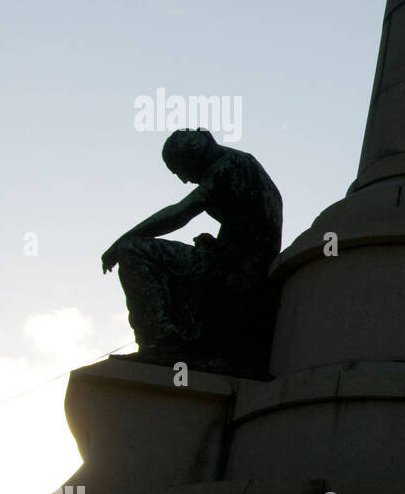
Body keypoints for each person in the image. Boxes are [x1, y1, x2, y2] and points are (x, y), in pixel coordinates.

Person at [101, 128, 282, 375]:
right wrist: (215, 244)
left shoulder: (229, 166)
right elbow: (247, 226)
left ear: (195, 156)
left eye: (181, 171)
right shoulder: (241, 165)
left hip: (236, 268)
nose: (185, 180)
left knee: (133, 250)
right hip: (232, 260)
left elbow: (180, 213)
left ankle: (165, 340)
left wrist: (121, 241)